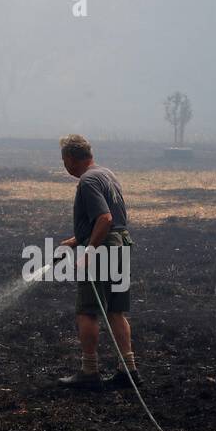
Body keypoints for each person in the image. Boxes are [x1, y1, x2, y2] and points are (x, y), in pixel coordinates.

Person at [56, 134, 140, 390]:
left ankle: (89, 371)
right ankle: (128, 370)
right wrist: (75, 240)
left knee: (87, 311)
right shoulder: (106, 174)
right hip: (120, 246)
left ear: (70, 158)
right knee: (115, 311)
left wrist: (88, 251)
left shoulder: (87, 181)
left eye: (64, 160)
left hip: (103, 249)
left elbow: (104, 219)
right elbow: (109, 221)